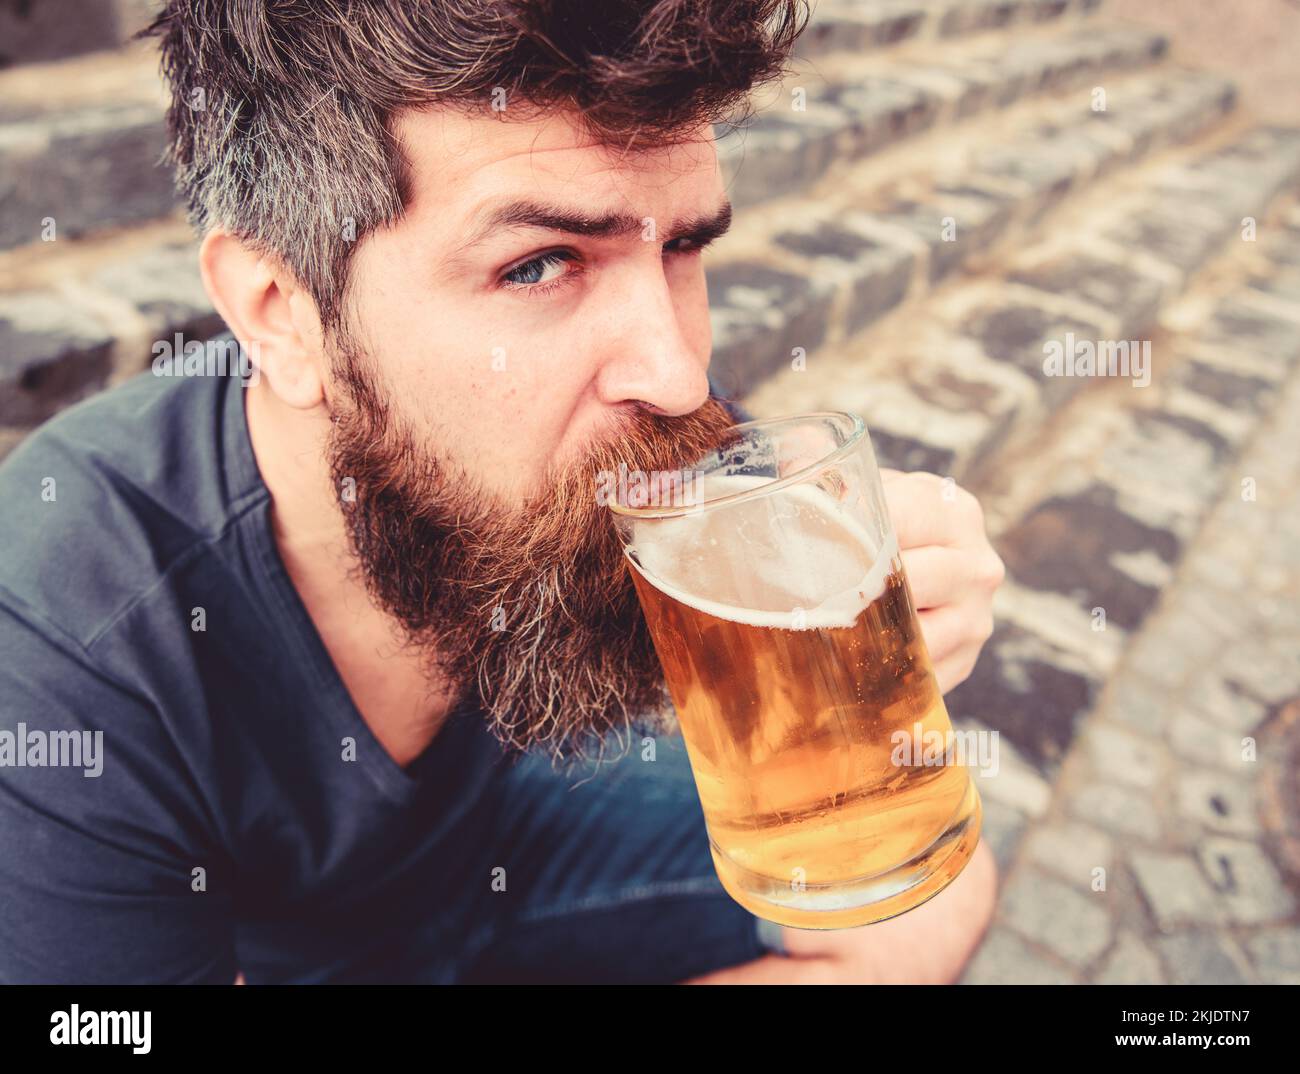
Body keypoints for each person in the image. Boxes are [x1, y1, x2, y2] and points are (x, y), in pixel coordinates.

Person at [0, 0, 1004, 984]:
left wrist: (887, 608)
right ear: (281, 315)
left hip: (499, 853)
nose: (678, 377)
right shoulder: (60, 639)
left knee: (926, 889)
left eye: (683, 246)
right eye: (539, 265)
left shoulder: (616, 430)